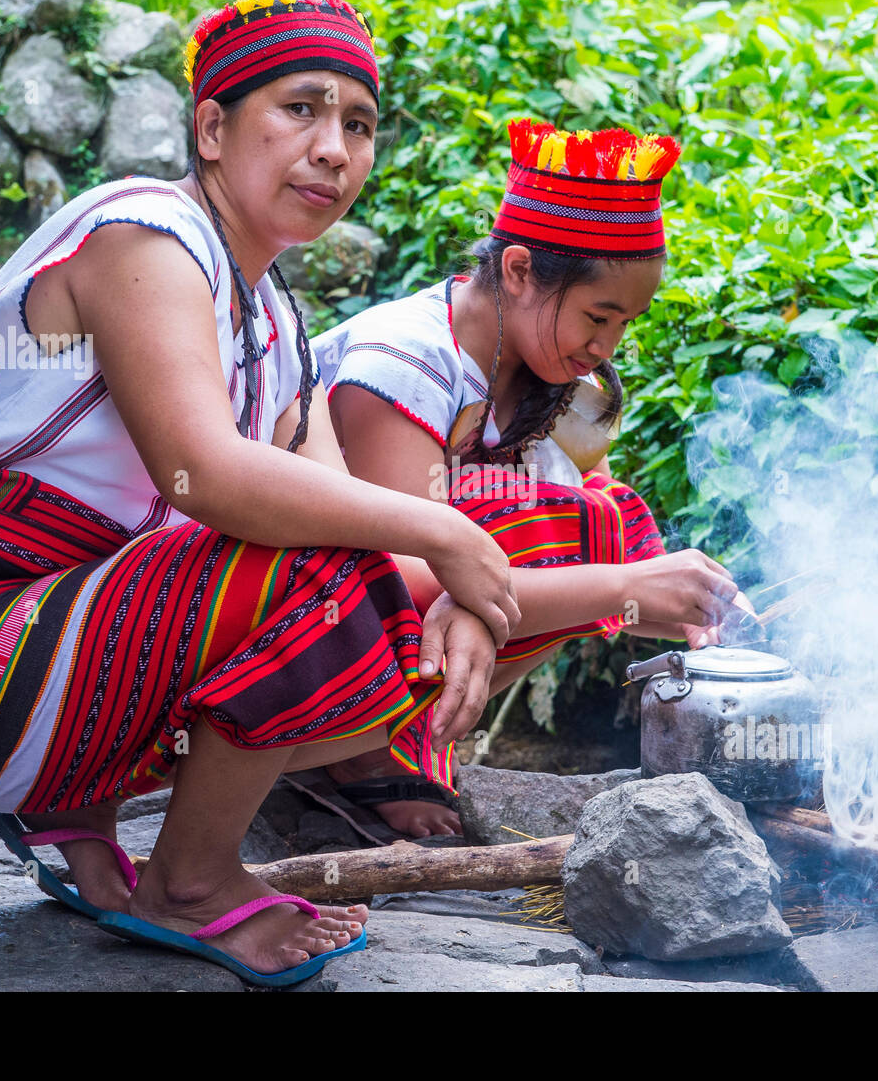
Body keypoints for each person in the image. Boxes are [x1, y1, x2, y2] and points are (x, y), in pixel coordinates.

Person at [0, 0, 519, 987]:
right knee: (303, 557)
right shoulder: (145, 232)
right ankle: (189, 880)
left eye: (359, 124)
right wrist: (446, 537)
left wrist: (462, 593)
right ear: (210, 126)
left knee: (370, 591)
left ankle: (73, 805)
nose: (334, 148)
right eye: (302, 109)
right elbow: (209, 478)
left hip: (54, 640)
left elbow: (371, 535)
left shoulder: (276, 322)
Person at [313, 118, 752, 837]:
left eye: (625, 324)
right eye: (597, 316)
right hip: (322, 606)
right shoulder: (402, 364)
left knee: (605, 517)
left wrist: (673, 606)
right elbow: (398, 575)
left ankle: (419, 725)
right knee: (569, 542)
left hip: (438, 586)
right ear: (517, 272)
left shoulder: (557, 375)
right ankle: (360, 750)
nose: (607, 346)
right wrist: (625, 590)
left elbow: (592, 527)